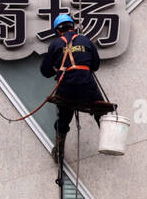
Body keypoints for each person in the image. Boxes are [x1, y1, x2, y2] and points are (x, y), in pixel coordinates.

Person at [40, 12, 112, 161]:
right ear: (73, 27)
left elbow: (45, 71)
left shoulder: (55, 44)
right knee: (100, 110)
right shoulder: (86, 41)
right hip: (87, 86)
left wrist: (57, 68)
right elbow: (96, 65)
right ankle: (110, 140)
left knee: (64, 118)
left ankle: (59, 151)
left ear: (58, 31)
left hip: (66, 88)